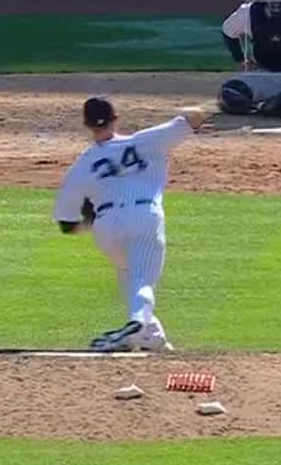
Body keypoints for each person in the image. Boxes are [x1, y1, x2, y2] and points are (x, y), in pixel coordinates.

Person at [52, 98, 211, 353]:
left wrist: (93, 222)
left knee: (128, 275)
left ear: (87, 125)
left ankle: (153, 338)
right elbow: (194, 118)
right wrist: (214, 104)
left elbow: (67, 225)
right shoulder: (145, 140)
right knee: (142, 281)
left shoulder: (80, 167)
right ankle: (137, 322)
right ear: (116, 117)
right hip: (144, 217)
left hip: (105, 227)